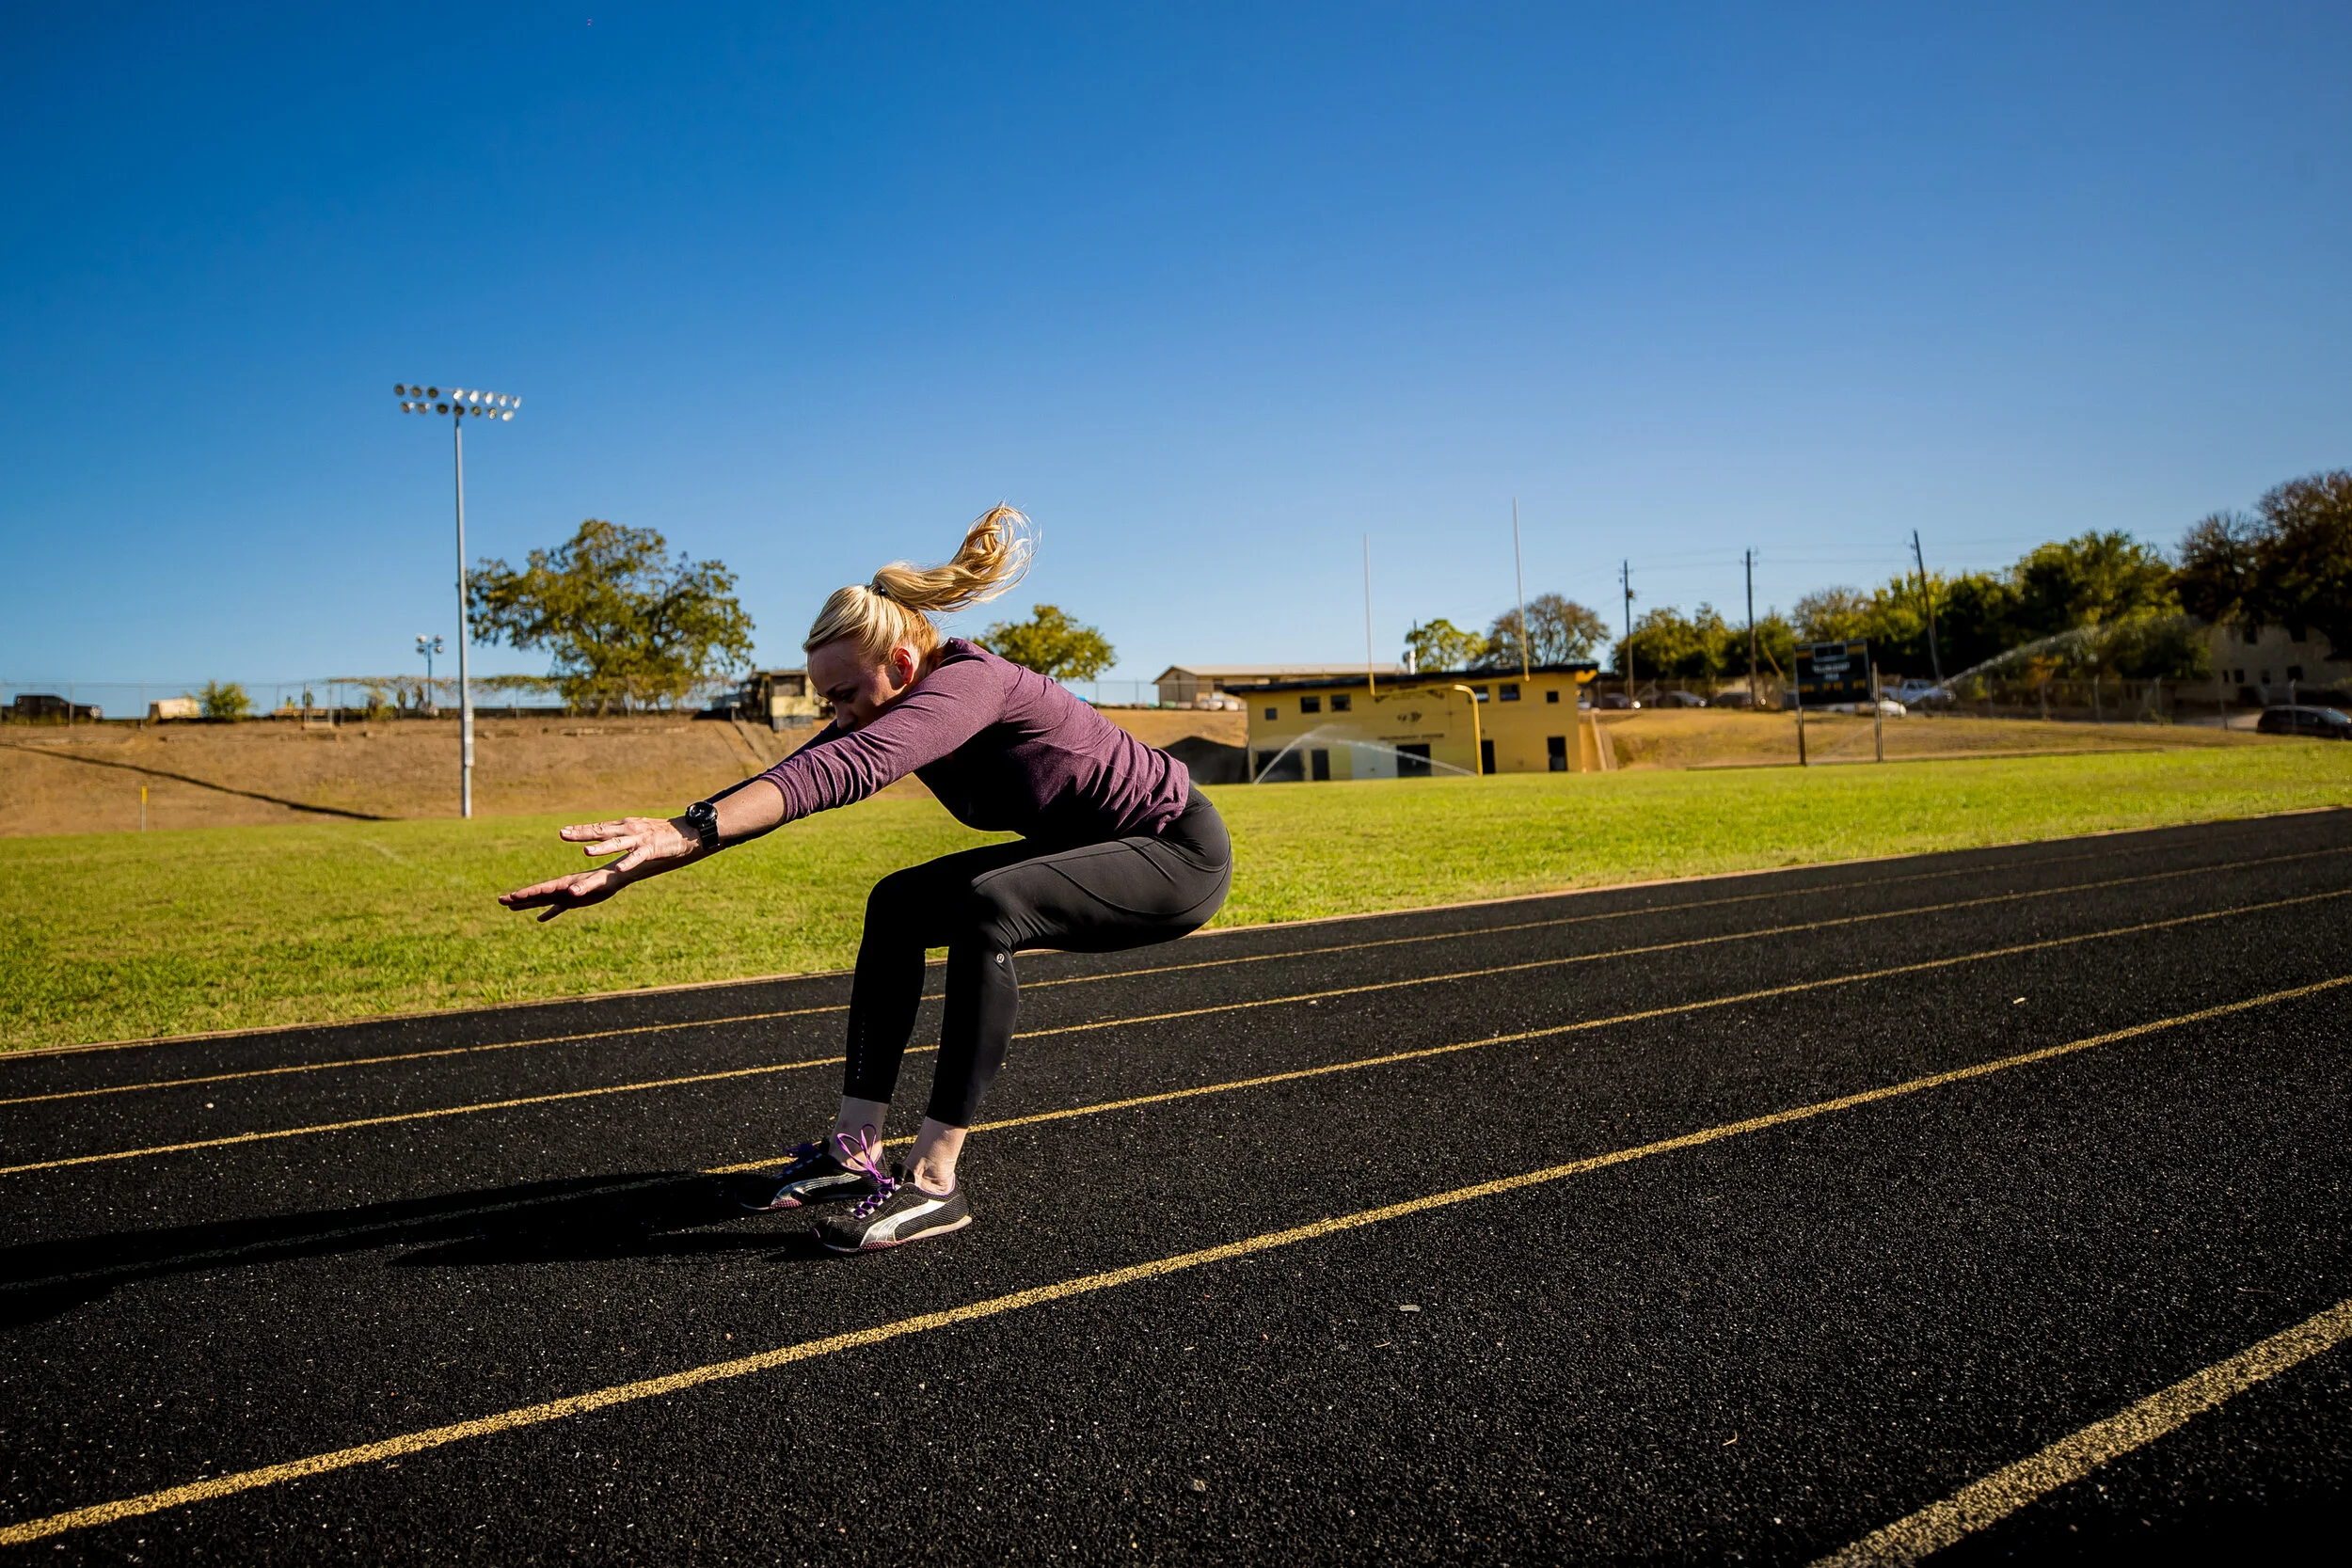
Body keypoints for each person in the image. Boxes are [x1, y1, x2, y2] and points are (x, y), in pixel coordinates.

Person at [496, 507, 1232, 1251]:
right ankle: (856, 1153)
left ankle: (937, 1180)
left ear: (904, 670)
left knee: (991, 905)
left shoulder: (973, 685)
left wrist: (686, 829)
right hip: (1096, 847)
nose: (837, 715)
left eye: (845, 696)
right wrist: (661, 848)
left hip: (1175, 852)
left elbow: (845, 768)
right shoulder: (888, 706)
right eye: (827, 701)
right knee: (899, 904)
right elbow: (790, 779)